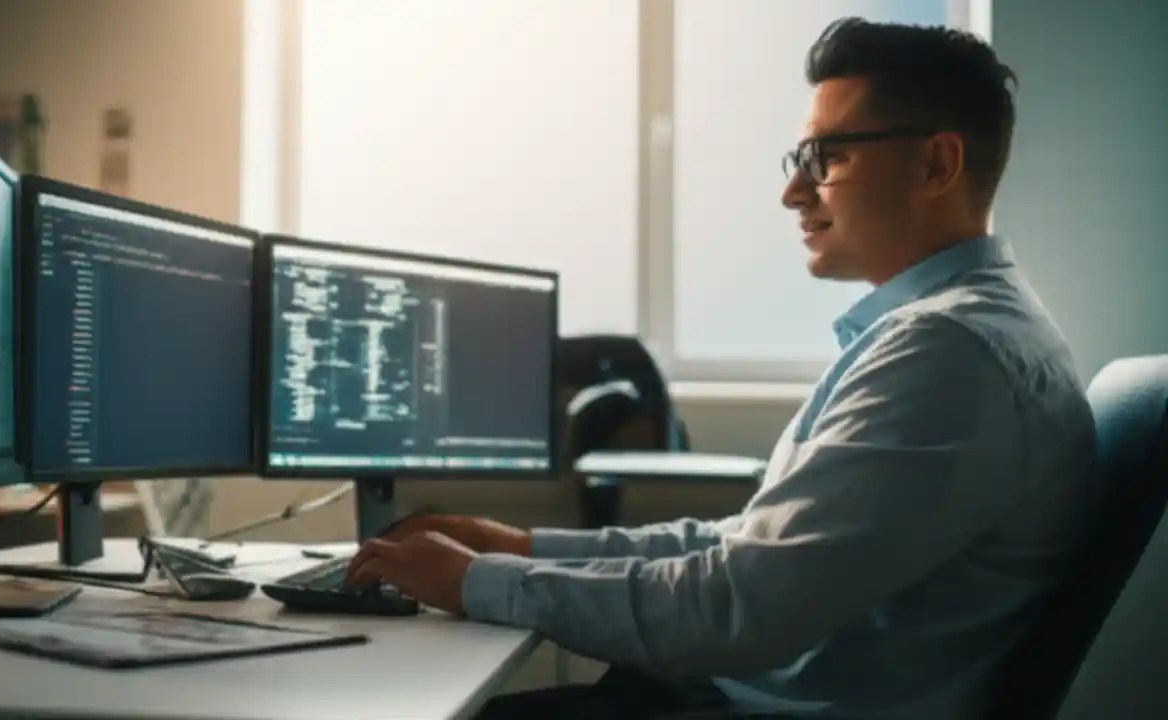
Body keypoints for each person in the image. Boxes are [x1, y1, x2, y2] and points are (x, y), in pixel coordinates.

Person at [346, 16, 1098, 719]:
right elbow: (746, 550)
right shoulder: (958, 331)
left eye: (827, 157)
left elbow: (739, 610)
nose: (793, 190)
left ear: (937, 163)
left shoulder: (948, 353)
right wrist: (520, 547)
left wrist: (476, 582)